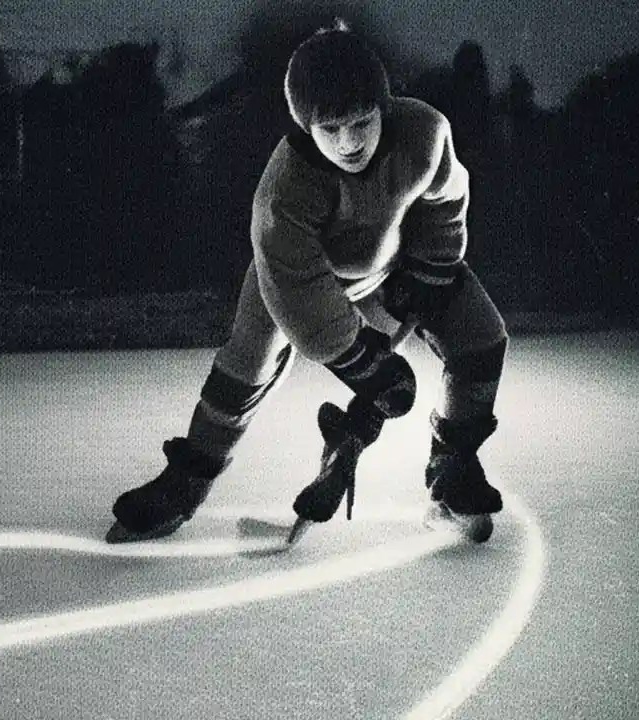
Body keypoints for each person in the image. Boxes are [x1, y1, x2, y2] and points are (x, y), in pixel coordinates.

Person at [107, 21, 509, 544]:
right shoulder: (285, 189)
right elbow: (297, 286)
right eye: (331, 129)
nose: (350, 142)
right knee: (244, 367)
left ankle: (453, 469)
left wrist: (432, 269)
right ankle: (184, 483)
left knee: (482, 334)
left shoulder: (425, 134)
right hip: (291, 280)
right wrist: (363, 363)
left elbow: (444, 199)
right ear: (305, 127)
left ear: (384, 107)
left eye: (362, 121)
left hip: (392, 268)